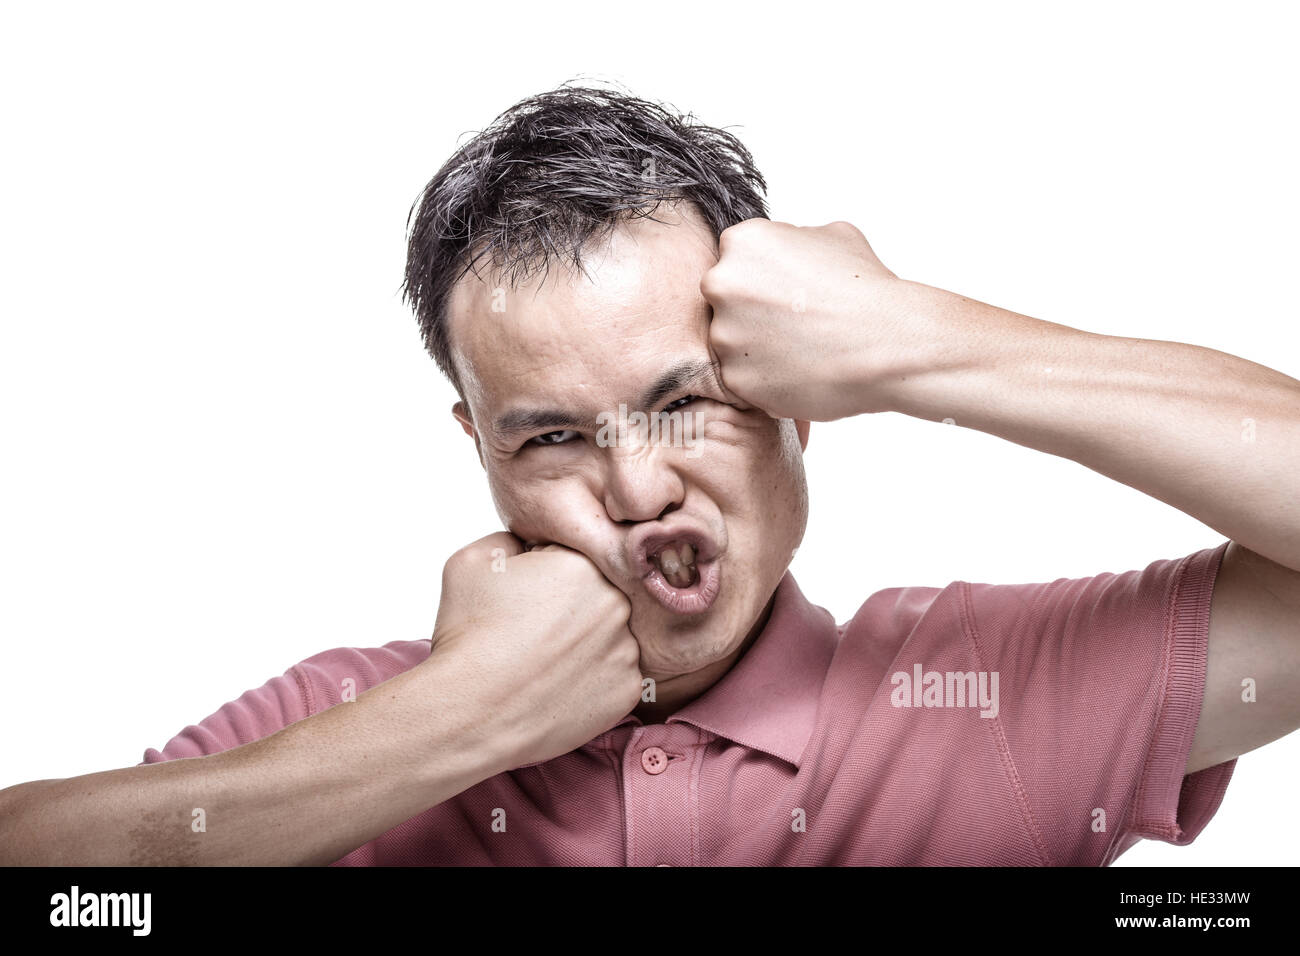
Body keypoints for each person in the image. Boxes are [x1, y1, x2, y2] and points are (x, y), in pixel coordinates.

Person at [2, 84, 1297, 866]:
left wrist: (925, 343)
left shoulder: (992, 702)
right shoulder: (359, 714)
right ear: (483, 454)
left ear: (798, 399)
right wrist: (461, 723)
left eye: (685, 404)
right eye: (554, 436)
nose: (636, 492)